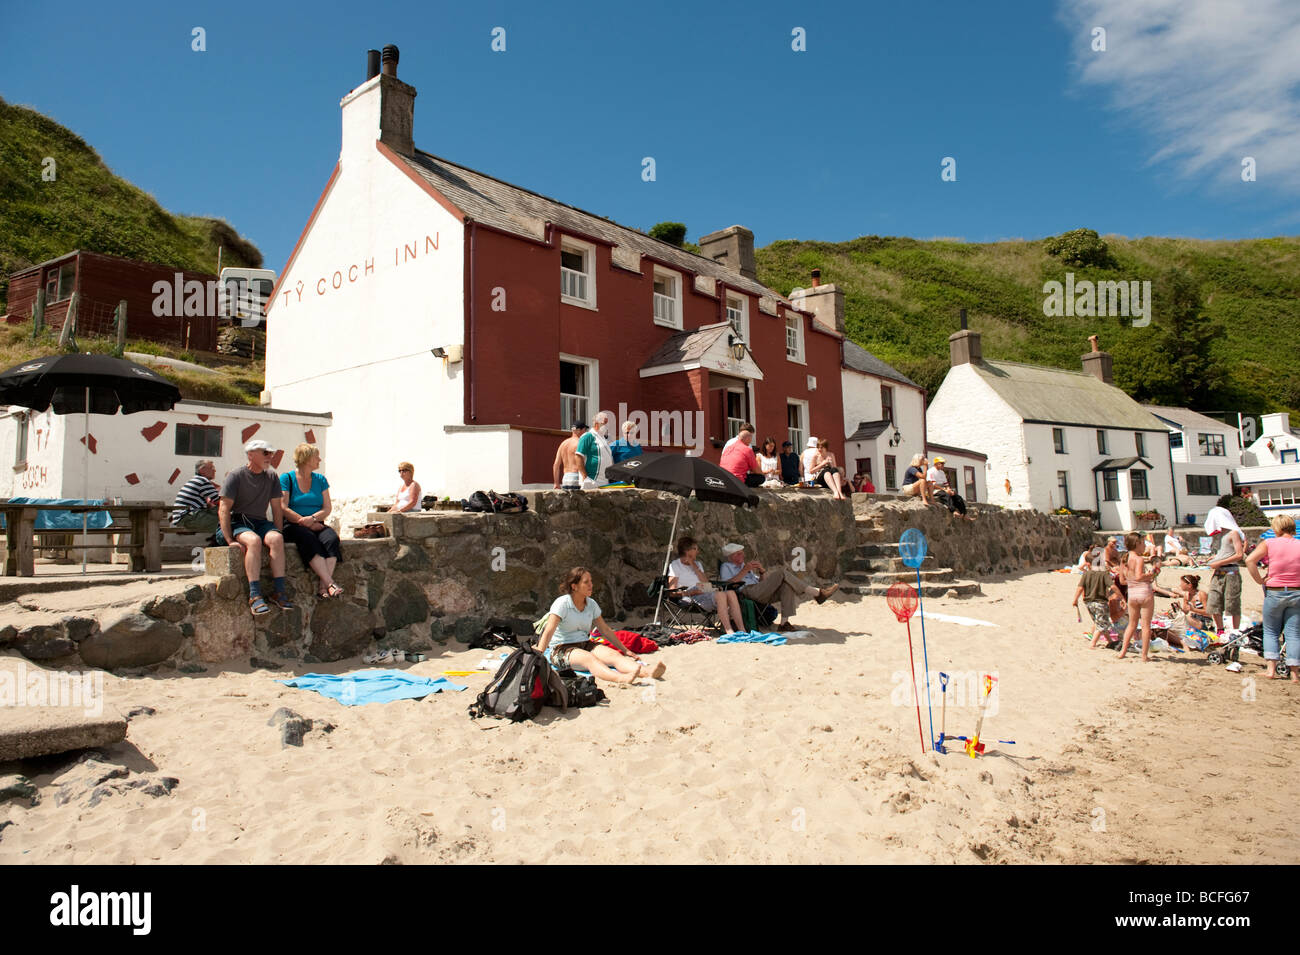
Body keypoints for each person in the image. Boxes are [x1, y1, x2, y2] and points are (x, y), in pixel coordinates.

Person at [536, 567, 666, 684]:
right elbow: (549, 631)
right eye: (586, 582)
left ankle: (647, 672)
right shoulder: (562, 604)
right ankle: (620, 678)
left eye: (591, 581)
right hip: (561, 649)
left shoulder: (591, 604)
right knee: (589, 659)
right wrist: (539, 653)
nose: (591, 585)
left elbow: (605, 630)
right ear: (574, 586)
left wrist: (625, 650)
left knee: (614, 656)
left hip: (585, 643)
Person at [217, 439, 290, 615]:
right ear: (251, 455)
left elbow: (276, 508)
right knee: (254, 541)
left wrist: (278, 531)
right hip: (239, 521)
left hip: (260, 522)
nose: (270, 457)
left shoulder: (272, 476)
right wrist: (228, 539)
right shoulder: (236, 476)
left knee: (277, 539)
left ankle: (279, 591)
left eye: (271, 453)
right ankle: (255, 595)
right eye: (265, 453)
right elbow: (224, 509)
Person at [718, 542, 837, 632]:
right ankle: (817, 593)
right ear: (731, 556)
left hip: (758, 590)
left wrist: (762, 572)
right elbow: (727, 584)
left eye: (742, 553)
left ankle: (784, 624)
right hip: (746, 592)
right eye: (739, 554)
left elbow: (761, 583)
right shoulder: (726, 566)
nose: (742, 555)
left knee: (786, 585)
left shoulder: (744, 566)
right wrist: (745, 570)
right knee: (781, 573)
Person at [280, 443, 344, 599]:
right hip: (294, 525)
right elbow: (283, 507)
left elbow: (327, 508)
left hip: (316, 522)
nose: (320, 460)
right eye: (317, 457)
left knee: (332, 539)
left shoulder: (320, 479)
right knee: (308, 539)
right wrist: (303, 521)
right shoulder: (287, 478)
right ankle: (330, 583)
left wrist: (313, 519)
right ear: (307, 459)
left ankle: (323, 587)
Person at [1244, 515, 1300, 682]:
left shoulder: (1269, 543)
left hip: (1275, 590)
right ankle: (1295, 673)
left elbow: (1250, 560)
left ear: (1277, 528)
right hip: (1296, 591)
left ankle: (1271, 670)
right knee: (1294, 634)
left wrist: (1259, 580)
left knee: (1271, 631)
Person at [668, 536, 744, 634]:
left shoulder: (698, 564)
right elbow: (672, 592)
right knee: (720, 594)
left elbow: (706, 584)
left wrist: (694, 567)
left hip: (703, 589)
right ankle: (729, 630)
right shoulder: (675, 565)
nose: (698, 551)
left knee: (731, 592)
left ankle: (742, 630)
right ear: (687, 551)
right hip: (689, 595)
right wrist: (690, 592)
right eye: (695, 549)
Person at [1118, 531, 1162, 661]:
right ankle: (1144, 655)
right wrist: (1151, 574)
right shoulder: (1139, 559)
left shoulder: (1124, 559)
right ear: (1137, 543)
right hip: (1144, 592)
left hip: (1132, 593)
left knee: (1131, 624)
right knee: (1145, 626)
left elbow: (1122, 580)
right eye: (1143, 543)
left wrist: (1134, 580)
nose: (1144, 546)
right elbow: (1139, 576)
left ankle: (1122, 652)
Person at [1204, 497, 1246, 635]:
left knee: (1232, 603)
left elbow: (1239, 555)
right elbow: (1223, 552)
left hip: (1231, 572)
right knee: (1214, 601)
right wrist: (1215, 558)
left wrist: (1219, 562)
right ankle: (1220, 630)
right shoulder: (1218, 535)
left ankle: (1235, 631)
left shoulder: (1233, 533)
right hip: (1219, 571)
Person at [170, 459, 220, 534]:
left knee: (223, 518)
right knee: (227, 522)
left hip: (185, 517)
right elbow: (219, 500)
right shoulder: (202, 481)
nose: (215, 470)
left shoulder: (196, 480)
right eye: (212, 468)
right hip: (189, 518)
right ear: (202, 470)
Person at [1073, 562, 1114, 648]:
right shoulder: (1104, 574)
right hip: (1100, 602)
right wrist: (1120, 596)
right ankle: (1093, 643)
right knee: (1101, 624)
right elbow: (1112, 587)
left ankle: (1110, 641)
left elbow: (1080, 588)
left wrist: (1075, 599)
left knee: (1100, 622)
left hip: (1088, 602)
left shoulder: (1086, 574)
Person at [553, 422, 586, 490]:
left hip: (565, 478)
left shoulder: (563, 443)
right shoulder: (580, 443)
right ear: (580, 430)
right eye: (585, 430)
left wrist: (556, 483)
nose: (585, 432)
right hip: (577, 477)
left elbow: (556, 465)